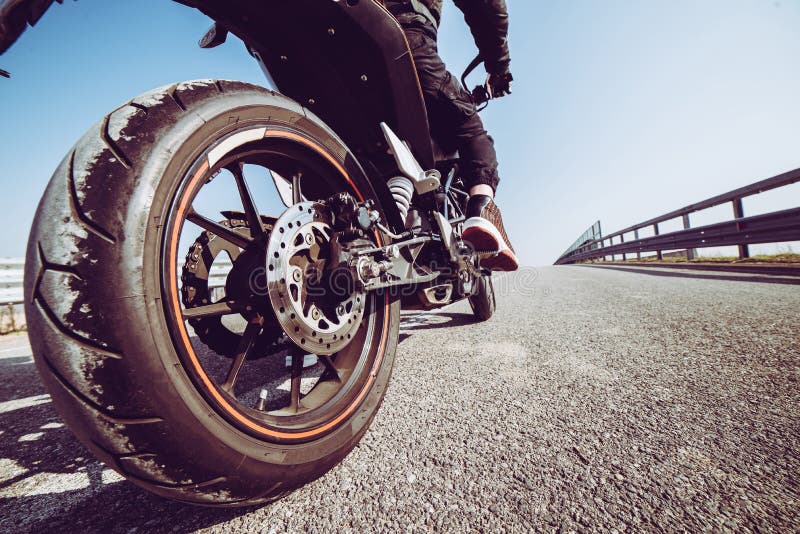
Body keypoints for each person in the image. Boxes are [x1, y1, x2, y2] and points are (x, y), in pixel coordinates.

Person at [384, 0, 519, 271]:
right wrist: (498, 67)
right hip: (402, 41)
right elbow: (488, 7)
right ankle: (481, 209)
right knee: (471, 130)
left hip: (327, 47)